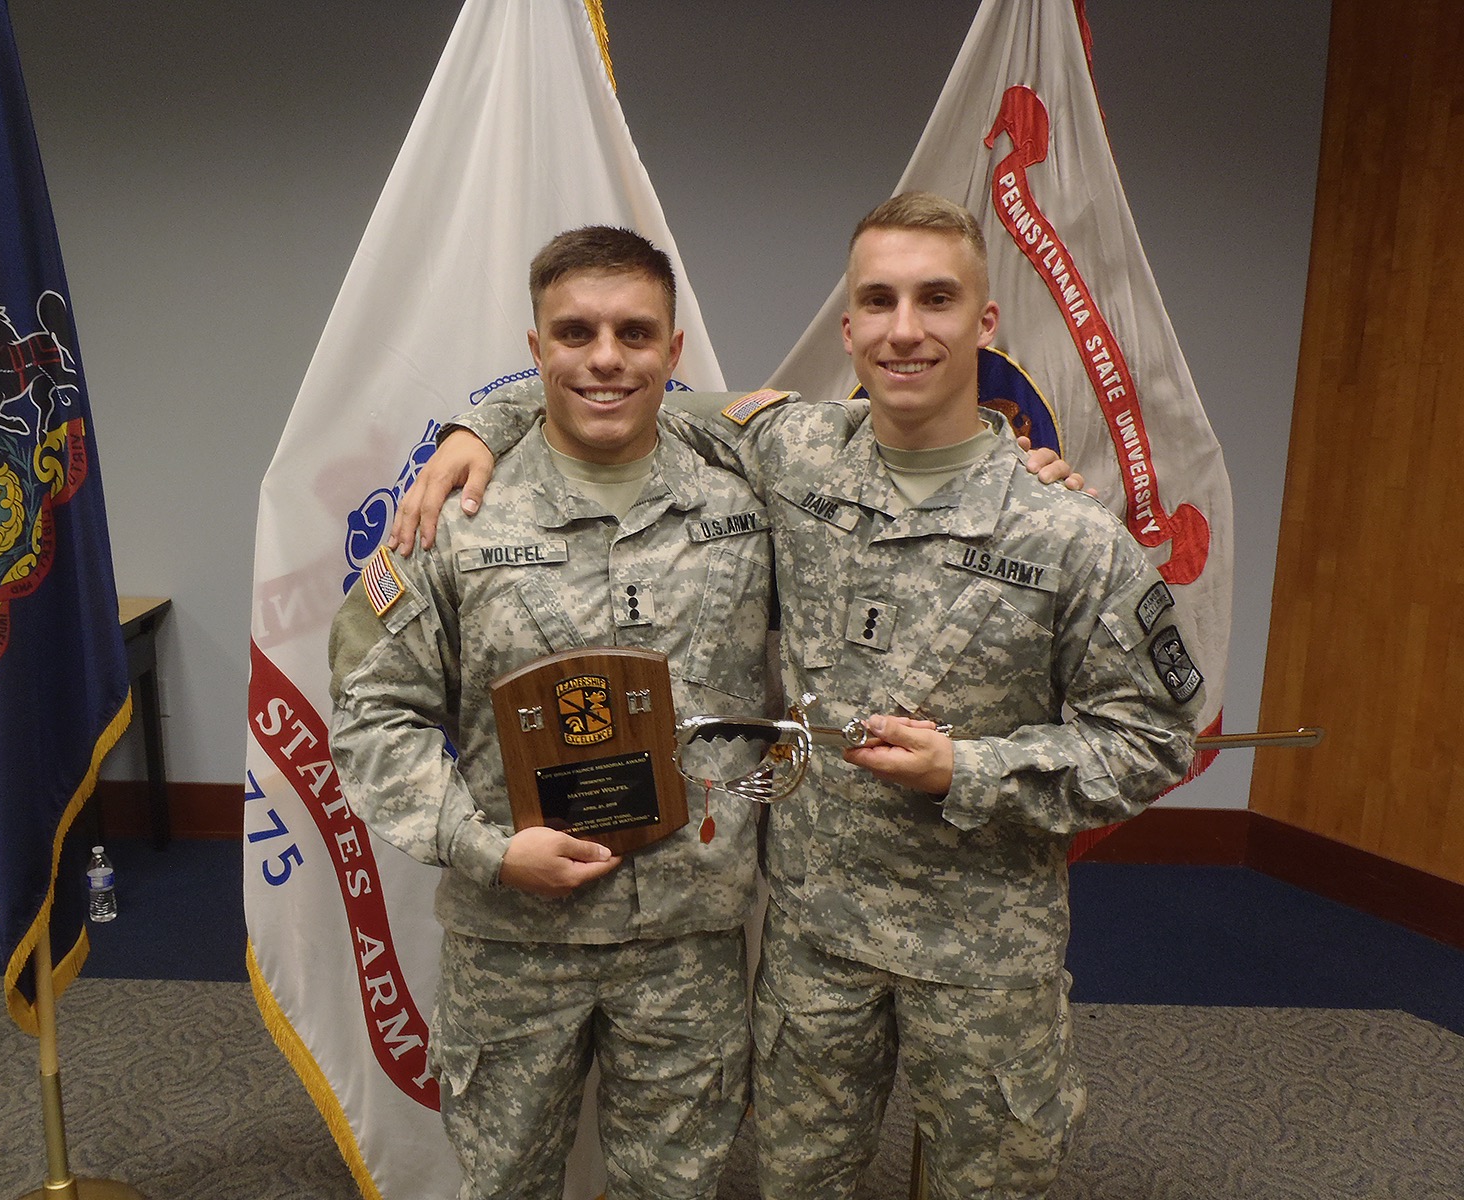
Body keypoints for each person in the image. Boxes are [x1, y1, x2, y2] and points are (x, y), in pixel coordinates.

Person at [391, 192, 1204, 1199]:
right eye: (879, 301)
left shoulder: (1068, 533)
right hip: (813, 944)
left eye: (936, 299)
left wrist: (973, 768)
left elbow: (1157, 738)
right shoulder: (794, 452)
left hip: (983, 952)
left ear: (983, 323)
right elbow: (619, 388)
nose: (907, 328)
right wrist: (477, 424)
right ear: (850, 326)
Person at [327, 226, 777, 1200]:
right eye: (574, 332)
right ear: (534, 352)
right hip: (512, 937)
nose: (606, 356)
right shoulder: (447, 516)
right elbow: (370, 714)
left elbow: (897, 445)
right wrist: (485, 848)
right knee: (506, 1187)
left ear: (673, 350)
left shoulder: (752, 501)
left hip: (686, 940)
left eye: (633, 332)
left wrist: (1017, 456)